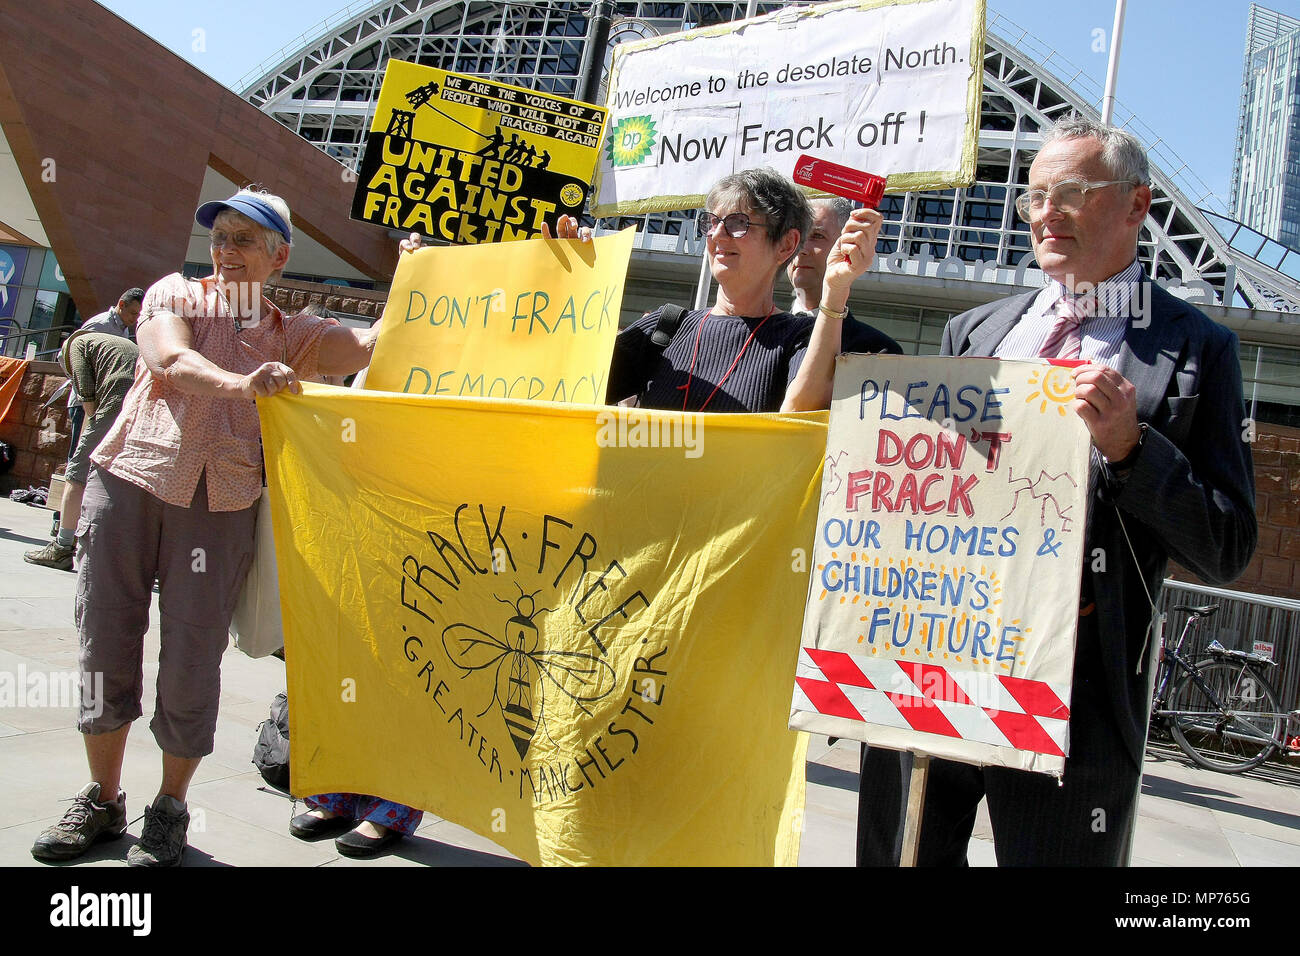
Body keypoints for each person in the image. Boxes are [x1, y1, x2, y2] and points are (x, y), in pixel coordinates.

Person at [853, 114, 1257, 866]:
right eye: (1033, 197)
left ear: (1137, 206)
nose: (1045, 214)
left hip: (1078, 691)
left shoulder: (1198, 351)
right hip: (933, 660)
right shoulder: (971, 333)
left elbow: (1228, 546)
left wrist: (1136, 451)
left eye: (1070, 193)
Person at [30, 187, 383, 867]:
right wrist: (243, 383)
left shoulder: (297, 334)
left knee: (193, 660)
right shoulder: (175, 295)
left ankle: (170, 809)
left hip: (219, 506)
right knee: (104, 639)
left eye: (245, 240)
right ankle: (102, 800)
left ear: (278, 257)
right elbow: (168, 360)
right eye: (219, 237)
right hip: (129, 480)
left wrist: (419, 275)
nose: (226, 252)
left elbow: (368, 345)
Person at [24, 330, 139, 571]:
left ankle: (62, 548)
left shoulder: (75, 347)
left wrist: (87, 445)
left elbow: (88, 400)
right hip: (144, 404)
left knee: (76, 474)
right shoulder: (111, 344)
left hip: (117, 401)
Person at [787, 197, 902, 357]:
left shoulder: (878, 350)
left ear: (848, 246)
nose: (802, 249)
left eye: (817, 236)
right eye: (796, 237)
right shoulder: (758, 332)